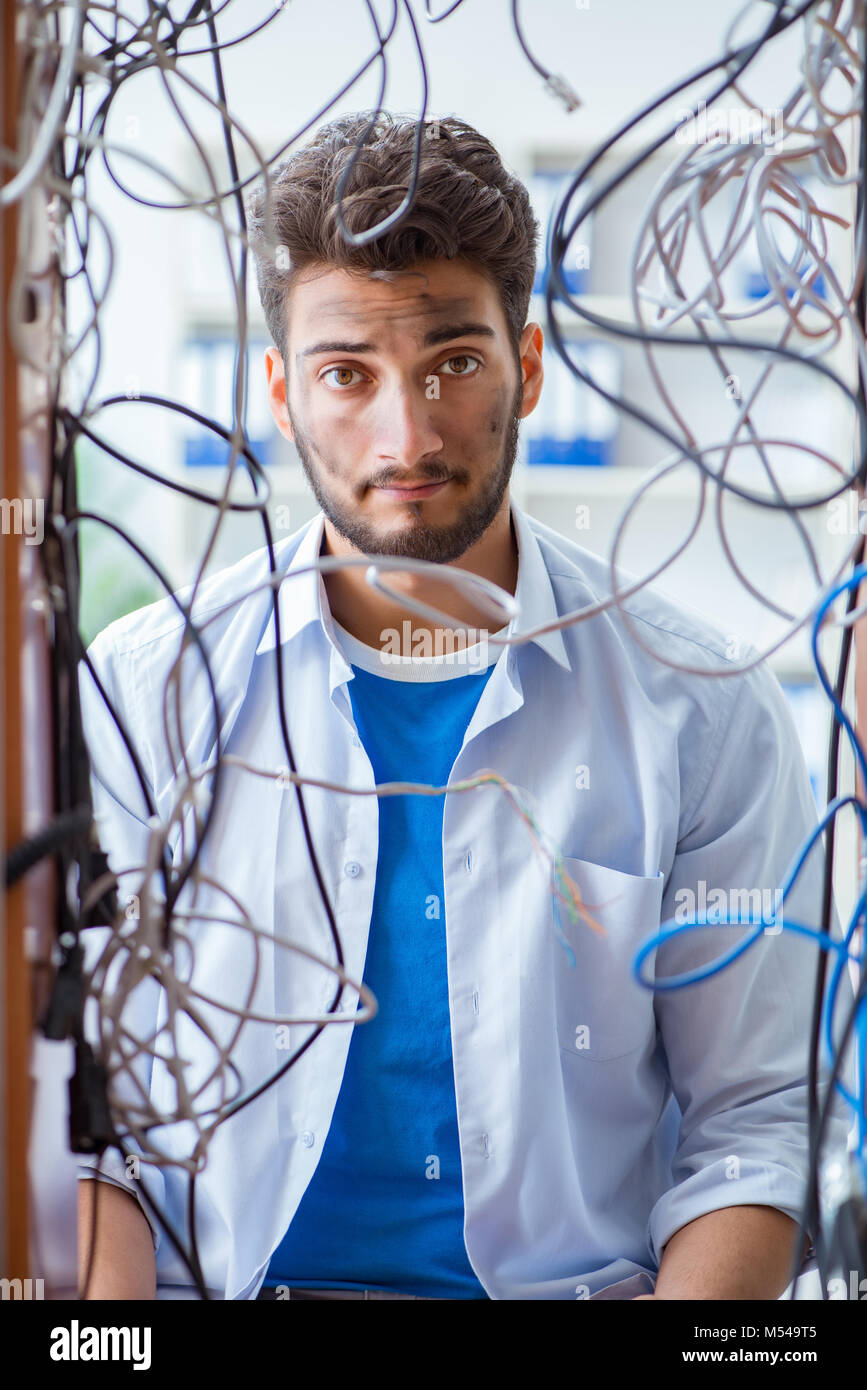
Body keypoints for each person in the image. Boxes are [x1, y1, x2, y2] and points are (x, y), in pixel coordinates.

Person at [77, 111, 852, 1301]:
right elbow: (92, 1128)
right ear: (281, 392)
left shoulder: (700, 707)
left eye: (455, 362)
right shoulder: (142, 694)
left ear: (527, 367)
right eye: (349, 374)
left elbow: (754, 1125)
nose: (409, 432)